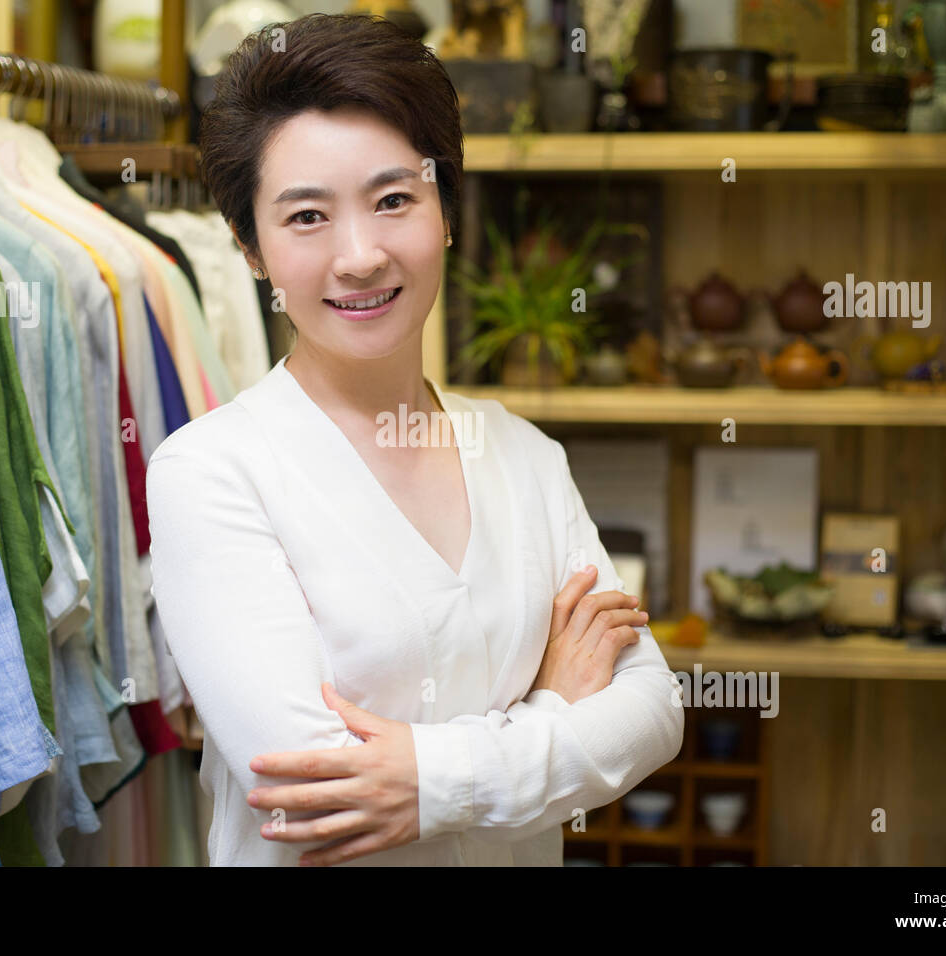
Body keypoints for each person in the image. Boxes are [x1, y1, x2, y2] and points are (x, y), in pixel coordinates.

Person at [146, 13, 684, 866]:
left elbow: (652, 708)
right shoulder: (211, 474)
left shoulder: (526, 457)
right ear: (251, 250)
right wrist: (548, 715)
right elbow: (311, 789)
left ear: (446, 213)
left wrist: (428, 779)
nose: (360, 256)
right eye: (307, 217)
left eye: (394, 199)